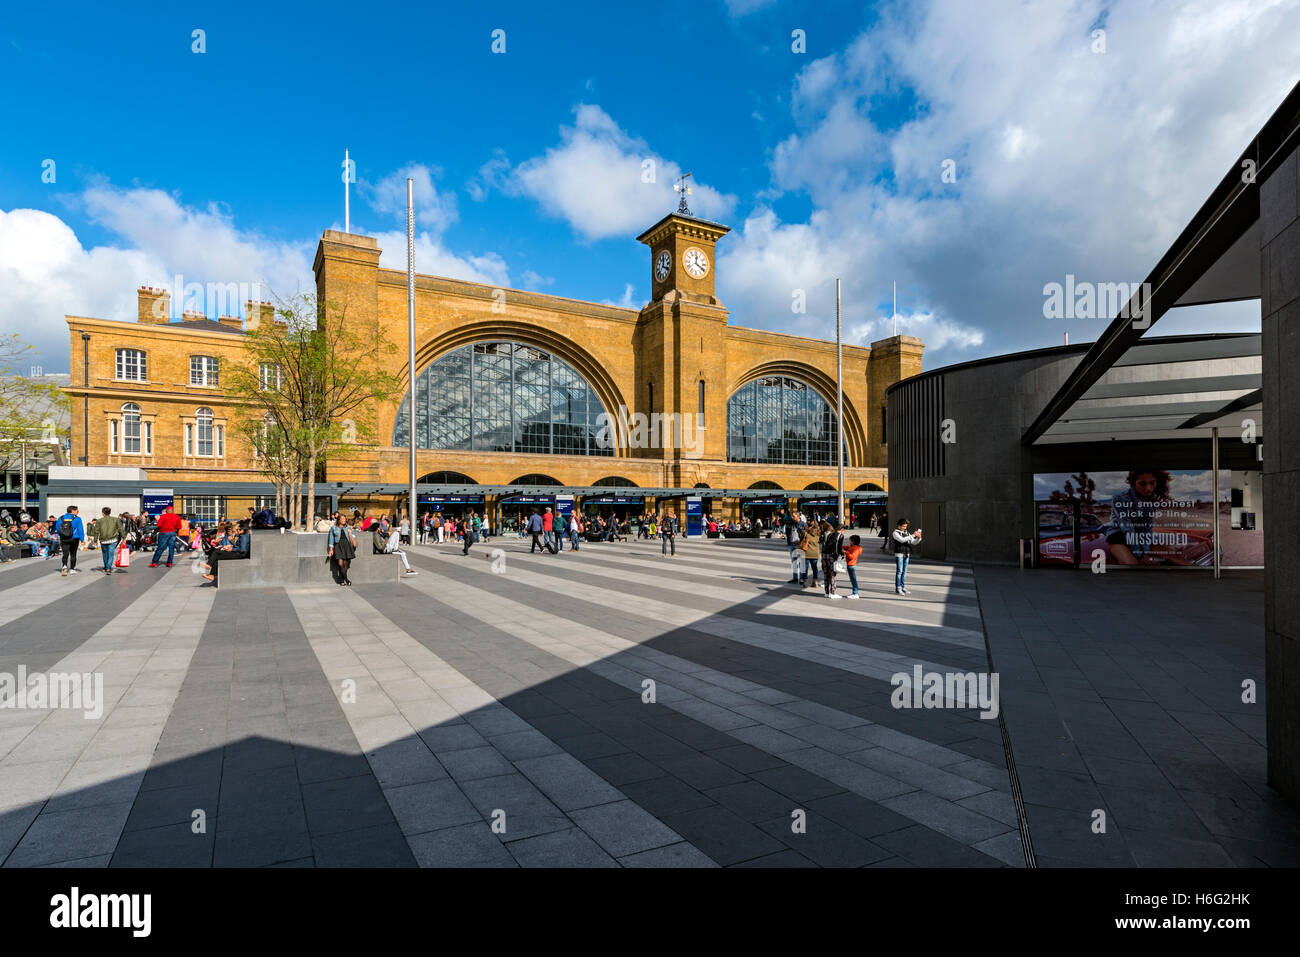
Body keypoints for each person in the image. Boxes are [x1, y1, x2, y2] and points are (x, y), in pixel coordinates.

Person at [203, 521, 251, 586]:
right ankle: (212, 575)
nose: (237, 531)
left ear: (243, 530)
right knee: (217, 558)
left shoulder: (244, 537)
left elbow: (243, 550)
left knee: (216, 553)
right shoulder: (243, 536)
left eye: (238, 530)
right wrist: (229, 547)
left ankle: (209, 565)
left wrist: (232, 549)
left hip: (239, 555)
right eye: (237, 529)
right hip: (237, 553)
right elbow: (239, 547)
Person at [890, 518, 922, 595]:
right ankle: (898, 588)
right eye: (903, 526)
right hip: (899, 554)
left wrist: (918, 538)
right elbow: (902, 540)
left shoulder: (907, 533)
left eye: (906, 526)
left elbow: (913, 542)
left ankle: (903, 587)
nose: (905, 528)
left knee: (904, 572)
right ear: (899, 525)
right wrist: (913, 535)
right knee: (899, 571)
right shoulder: (895, 533)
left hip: (907, 554)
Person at [327, 514, 357, 585]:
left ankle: (342, 580)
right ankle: (346, 579)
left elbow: (353, 537)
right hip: (338, 546)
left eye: (344, 519)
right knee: (340, 563)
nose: (344, 520)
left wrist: (350, 533)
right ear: (339, 520)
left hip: (347, 546)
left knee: (345, 564)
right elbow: (331, 539)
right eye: (342, 519)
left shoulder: (349, 527)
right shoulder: (333, 528)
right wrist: (331, 549)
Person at [55, 505, 85, 576]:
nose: (78, 512)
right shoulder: (77, 519)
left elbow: (58, 528)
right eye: (77, 511)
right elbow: (80, 529)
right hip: (74, 538)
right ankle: (72, 569)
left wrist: (62, 535)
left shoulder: (60, 518)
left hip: (64, 539)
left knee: (65, 553)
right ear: (73, 511)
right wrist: (82, 539)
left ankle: (64, 566)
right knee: (73, 554)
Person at [95, 507, 123, 575]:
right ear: (110, 512)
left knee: (105, 554)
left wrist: (95, 540)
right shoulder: (116, 519)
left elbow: (96, 531)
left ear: (102, 513)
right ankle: (108, 568)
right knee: (111, 554)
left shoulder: (99, 521)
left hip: (103, 540)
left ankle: (106, 566)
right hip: (113, 539)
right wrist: (124, 538)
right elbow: (120, 529)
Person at [820, 520, 843, 599]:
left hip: (824, 555)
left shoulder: (829, 535)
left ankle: (826, 592)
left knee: (826, 574)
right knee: (832, 575)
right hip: (831, 557)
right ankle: (833, 593)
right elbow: (838, 549)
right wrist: (840, 555)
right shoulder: (839, 536)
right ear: (842, 530)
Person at [784, 512, 805, 584]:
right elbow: (787, 531)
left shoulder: (803, 524)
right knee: (794, 562)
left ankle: (802, 578)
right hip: (791, 544)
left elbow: (806, 535)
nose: (792, 518)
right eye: (792, 516)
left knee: (801, 562)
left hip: (799, 544)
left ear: (798, 516)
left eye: (794, 516)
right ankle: (795, 577)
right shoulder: (790, 523)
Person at [799, 524, 820, 588]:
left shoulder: (805, 533)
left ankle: (805, 582)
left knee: (805, 568)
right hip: (815, 553)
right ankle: (815, 582)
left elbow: (801, 540)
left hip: (806, 553)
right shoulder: (818, 534)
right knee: (815, 568)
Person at [843, 534, 863, 599]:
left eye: (850, 541)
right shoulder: (853, 547)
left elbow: (852, 557)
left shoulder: (855, 548)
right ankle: (854, 593)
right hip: (851, 565)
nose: (849, 542)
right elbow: (847, 547)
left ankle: (855, 593)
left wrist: (846, 552)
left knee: (853, 580)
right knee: (853, 580)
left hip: (851, 565)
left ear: (853, 541)